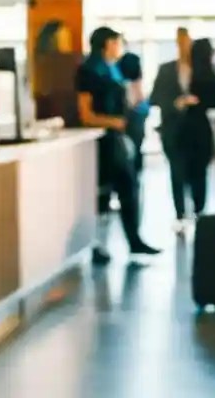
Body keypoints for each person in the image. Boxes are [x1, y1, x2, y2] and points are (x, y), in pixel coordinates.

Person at [77, 27, 161, 263]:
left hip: (118, 137)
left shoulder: (113, 69)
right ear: (107, 44)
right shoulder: (89, 71)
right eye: (116, 42)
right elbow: (85, 112)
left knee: (128, 188)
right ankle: (101, 245)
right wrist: (113, 121)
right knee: (105, 192)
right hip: (104, 140)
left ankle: (133, 240)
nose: (119, 47)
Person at [151, 29, 215, 229]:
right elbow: (155, 98)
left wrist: (197, 102)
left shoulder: (205, 70)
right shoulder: (166, 70)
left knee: (199, 173)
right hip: (174, 130)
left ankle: (200, 213)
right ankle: (180, 214)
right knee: (177, 172)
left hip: (198, 130)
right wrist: (175, 103)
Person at [118, 49, 149, 176]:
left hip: (126, 131)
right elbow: (141, 104)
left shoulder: (120, 83)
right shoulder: (135, 85)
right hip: (134, 130)